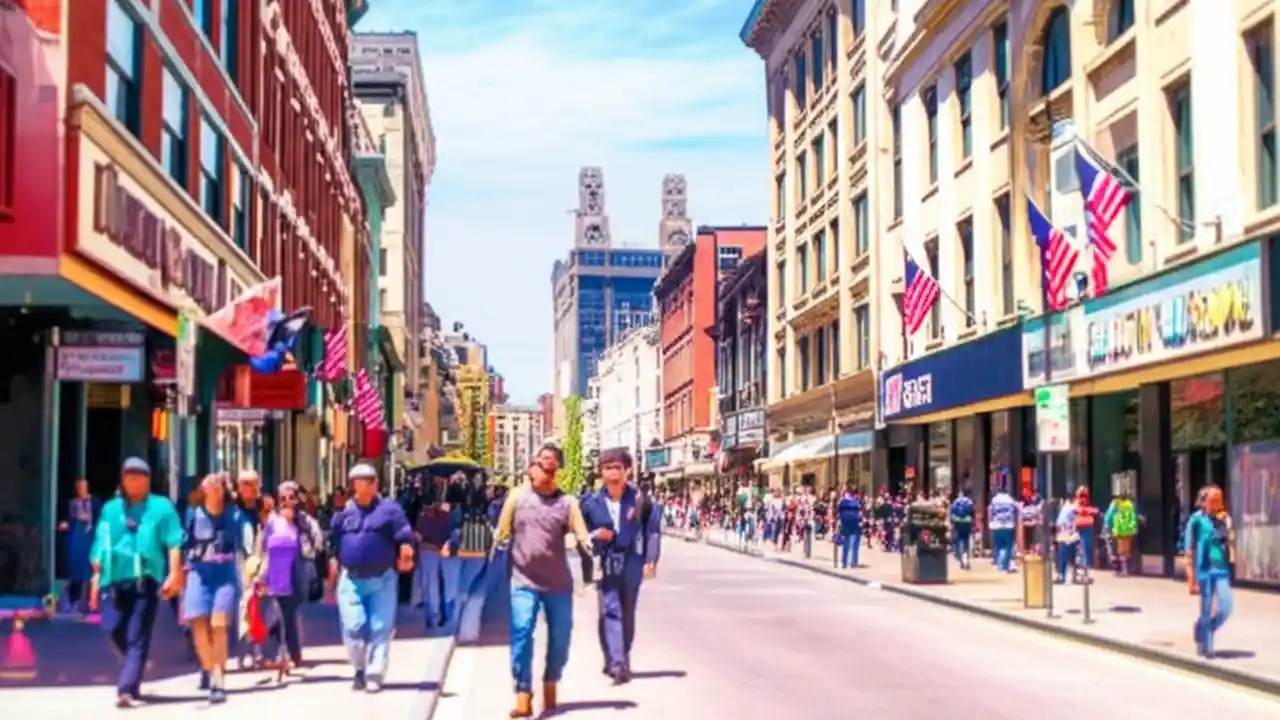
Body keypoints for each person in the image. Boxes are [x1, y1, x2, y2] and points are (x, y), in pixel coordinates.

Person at [493, 444, 596, 718]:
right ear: (531, 468)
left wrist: (589, 551)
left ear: (556, 471)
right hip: (523, 581)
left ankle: (551, 682)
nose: (541, 471)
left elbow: (583, 536)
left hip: (558, 584)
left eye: (549, 466)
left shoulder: (568, 503)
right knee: (522, 633)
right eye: (539, 465)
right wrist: (496, 552)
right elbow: (501, 534)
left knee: (560, 640)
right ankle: (523, 692)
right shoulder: (516, 498)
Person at [88, 457, 185, 708]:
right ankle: (135, 666)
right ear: (122, 479)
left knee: (137, 636)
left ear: (148, 480)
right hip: (114, 579)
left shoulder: (161, 507)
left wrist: (175, 574)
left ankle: (126, 688)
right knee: (113, 628)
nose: (134, 481)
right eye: (129, 476)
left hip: (145, 581)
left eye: (139, 477)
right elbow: (101, 540)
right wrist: (96, 573)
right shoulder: (111, 509)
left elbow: (174, 542)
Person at [327, 463, 417, 693]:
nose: (364, 484)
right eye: (359, 481)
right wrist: (331, 573)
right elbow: (333, 544)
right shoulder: (344, 513)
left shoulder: (390, 510)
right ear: (354, 485)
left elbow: (405, 534)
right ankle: (359, 667)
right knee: (353, 626)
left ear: (375, 483)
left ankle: (375, 672)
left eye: (368, 480)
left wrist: (406, 550)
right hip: (351, 579)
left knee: (380, 626)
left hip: (382, 578)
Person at [581, 448, 661, 685]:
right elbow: (580, 533)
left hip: (632, 562)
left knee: (627, 611)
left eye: (617, 467)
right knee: (610, 609)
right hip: (606, 561)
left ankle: (620, 655)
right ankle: (616, 662)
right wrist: (596, 536)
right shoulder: (590, 503)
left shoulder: (640, 501)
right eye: (607, 467)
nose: (612, 472)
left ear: (627, 471)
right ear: (600, 472)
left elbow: (653, 531)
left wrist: (651, 560)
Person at [181, 474, 248, 703]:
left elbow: (245, 545)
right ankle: (209, 669)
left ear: (223, 489)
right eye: (208, 484)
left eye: (216, 484)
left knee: (218, 624)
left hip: (224, 575)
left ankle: (218, 679)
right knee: (198, 624)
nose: (212, 488)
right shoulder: (193, 514)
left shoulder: (234, 516)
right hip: (199, 573)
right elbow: (182, 544)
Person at [259, 480, 324, 669]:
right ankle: (285, 652)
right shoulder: (272, 521)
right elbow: (264, 546)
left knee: (289, 612)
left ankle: (289, 652)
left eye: (291, 497)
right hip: (277, 571)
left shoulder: (306, 521)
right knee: (280, 613)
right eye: (282, 498)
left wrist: (299, 530)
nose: (287, 501)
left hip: (299, 570)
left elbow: (318, 544)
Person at [1186, 485, 1234, 658]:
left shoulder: (1223, 519)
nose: (1217, 504)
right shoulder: (1196, 520)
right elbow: (1189, 550)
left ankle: (1202, 630)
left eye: (1220, 500)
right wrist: (1191, 579)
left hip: (1221, 569)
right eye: (1213, 501)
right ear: (1204, 502)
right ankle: (1207, 646)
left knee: (1225, 607)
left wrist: (1226, 524)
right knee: (1205, 609)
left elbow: (1229, 542)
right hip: (1204, 570)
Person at [414, 482, 453, 628]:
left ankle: (433, 615)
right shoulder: (444, 516)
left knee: (430, 583)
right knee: (438, 583)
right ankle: (437, 614)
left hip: (429, 553)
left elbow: (418, 538)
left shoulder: (425, 518)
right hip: (438, 552)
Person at [58, 478, 100, 612]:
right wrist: (64, 523)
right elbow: (64, 518)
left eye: (83, 487)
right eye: (78, 488)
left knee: (92, 570)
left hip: (92, 537)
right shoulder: (71, 503)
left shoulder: (96, 503)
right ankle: (72, 600)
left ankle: (91, 602)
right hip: (77, 536)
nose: (80, 490)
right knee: (76, 570)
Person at [836, 486, 863, 570]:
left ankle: (845, 563)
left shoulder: (842, 502)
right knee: (855, 543)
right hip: (855, 523)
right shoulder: (858, 502)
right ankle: (853, 562)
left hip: (845, 523)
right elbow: (861, 513)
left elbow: (838, 513)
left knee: (846, 543)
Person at [949, 487, 975, 570]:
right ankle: (966, 558)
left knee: (959, 539)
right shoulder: (969, 502)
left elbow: (952, 512)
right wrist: (972, 522)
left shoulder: (956, 501)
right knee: (966, 540)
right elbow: (972, 513)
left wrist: (952, 522)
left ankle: (961, 559)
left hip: (957, 522)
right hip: (967, 522)